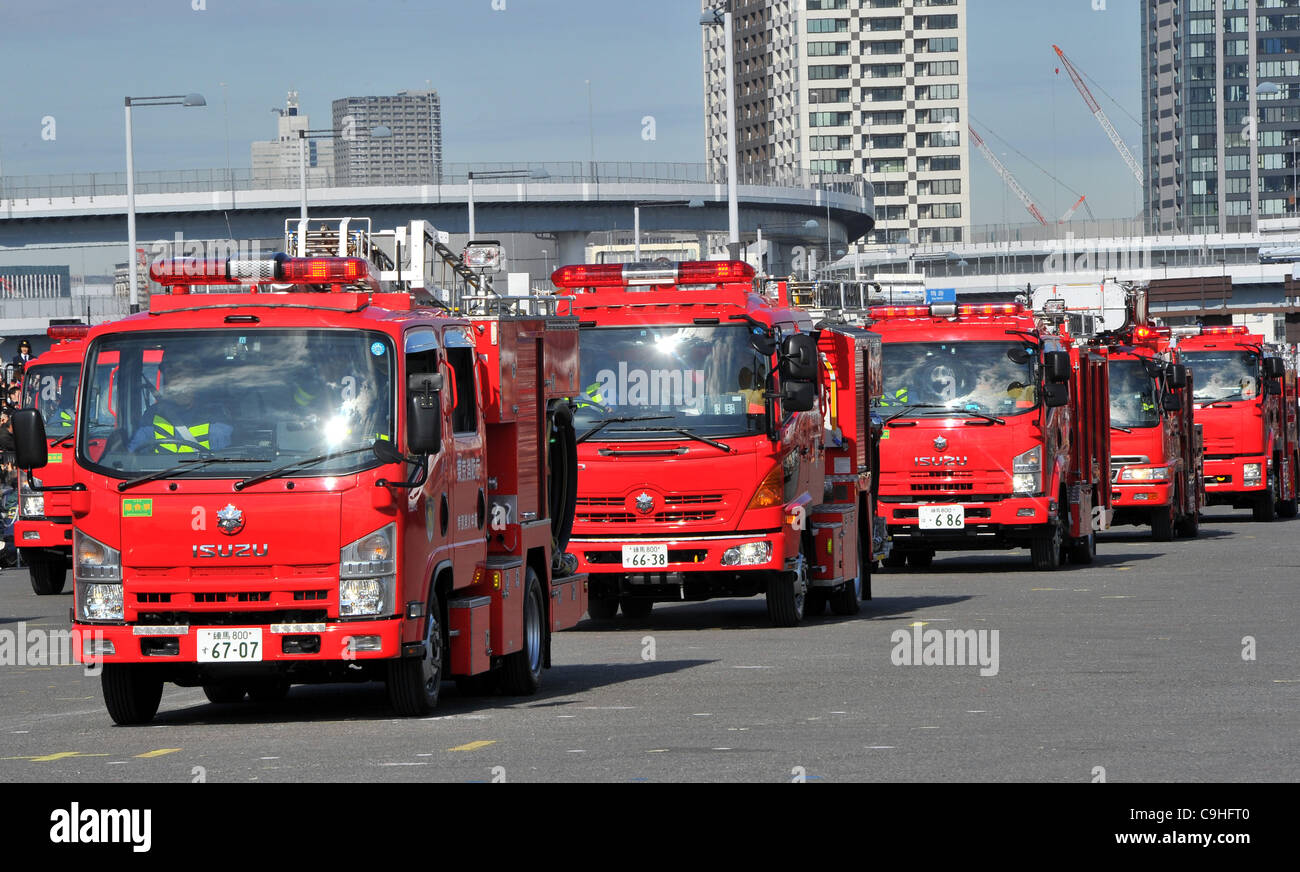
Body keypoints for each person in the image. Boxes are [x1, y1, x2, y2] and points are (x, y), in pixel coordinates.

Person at [128, 354, 233, 454]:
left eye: (185, 374)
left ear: (196, 379)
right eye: (172, 373)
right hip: (159, 473)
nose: (178, 379)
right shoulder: (152, 416)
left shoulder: (214, 414)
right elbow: (133, 458)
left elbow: (225, 460)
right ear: (166, 380)